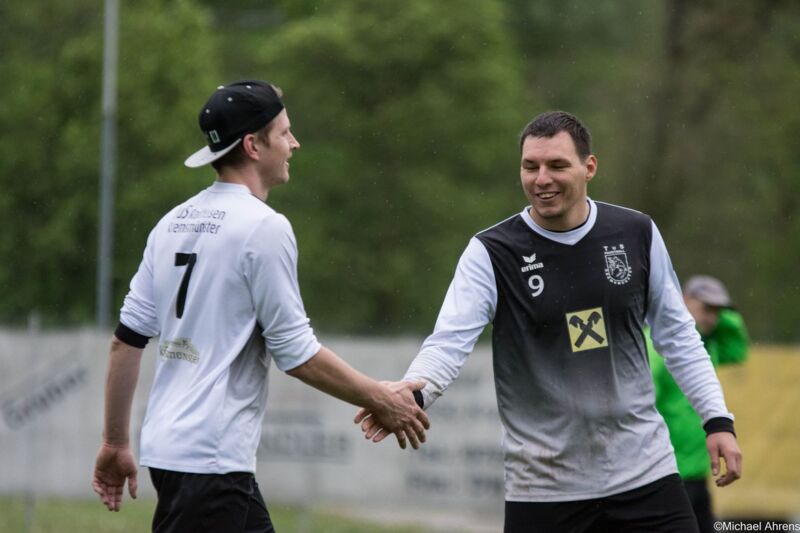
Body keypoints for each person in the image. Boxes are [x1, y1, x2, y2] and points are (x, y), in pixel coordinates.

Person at [356, 111, 742, 532]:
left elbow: (678, 336)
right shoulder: (492, 252)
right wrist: (415, 394)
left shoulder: (636, 233)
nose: (542, 179)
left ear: (588, 167)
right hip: (544, 488)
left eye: (557, 165)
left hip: (645, 475)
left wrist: (717, 420)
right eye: (530, 166)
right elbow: (448, 341)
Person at [91, 80, 429, 533]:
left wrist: (115, 441)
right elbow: (296, 354)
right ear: (252, 145)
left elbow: (125, 342)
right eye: (285, 132)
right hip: (211, 463)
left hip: (178, 455)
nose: (294, 143)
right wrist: (382, 399)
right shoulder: (264, 228)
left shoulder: (170, 223)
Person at [648, 275, 749, 533]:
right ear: (684, 300)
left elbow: (737, 350)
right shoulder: (657, 343)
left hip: (697, 470)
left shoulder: (709, 344)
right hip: (669, 471)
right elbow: (646, 398)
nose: (712, 318)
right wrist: (681, 312)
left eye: (718, 312)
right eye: (707, 308)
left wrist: (721, 313)